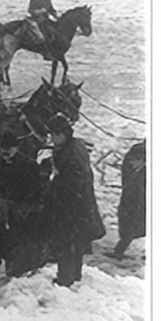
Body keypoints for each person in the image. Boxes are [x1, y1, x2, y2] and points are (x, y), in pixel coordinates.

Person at [46, 113, 105, 287]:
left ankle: (65, 279)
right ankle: (75, 275)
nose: (52, 139)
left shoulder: (70, 156)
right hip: (82, 205)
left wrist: (52, 181)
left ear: (61, 134)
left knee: (66, 243)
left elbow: (68, 184)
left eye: (54, 135)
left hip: (71, 207)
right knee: (76, 243)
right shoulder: (77, 145)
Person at [0, 129, 45, 276]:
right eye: (3, 148)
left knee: (16, 241)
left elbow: (35, 191)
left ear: (16, 148)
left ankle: (14, 271)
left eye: (9, 148)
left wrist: (23, 208)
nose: (5, 152)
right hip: (1, 207)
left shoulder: (29, 165)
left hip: (19, 209)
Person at [108, 140, 146, 259]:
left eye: (134, 160)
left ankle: (119, 251)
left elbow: (141, 194)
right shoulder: (137, 172)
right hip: (131, 206)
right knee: (130, 229)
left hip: (137, 207)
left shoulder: (144, 175)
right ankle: (119, 250)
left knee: (132, 229)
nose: (131, 163)